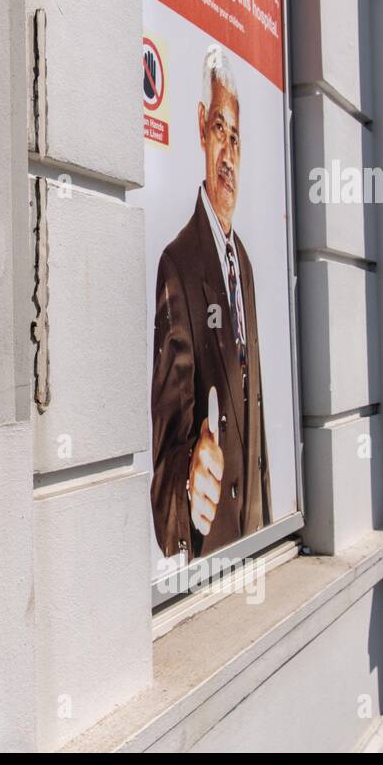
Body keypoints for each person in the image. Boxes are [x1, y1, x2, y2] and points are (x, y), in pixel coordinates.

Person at [151, 44, 270, 562]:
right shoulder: (178, 264)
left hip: (256, 542)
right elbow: (168, 456)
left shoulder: (242, 261)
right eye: (220, 130)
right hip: (213, 558)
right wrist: (187, 487)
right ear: (201, 127)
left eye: (237, 138)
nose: (229, 153)